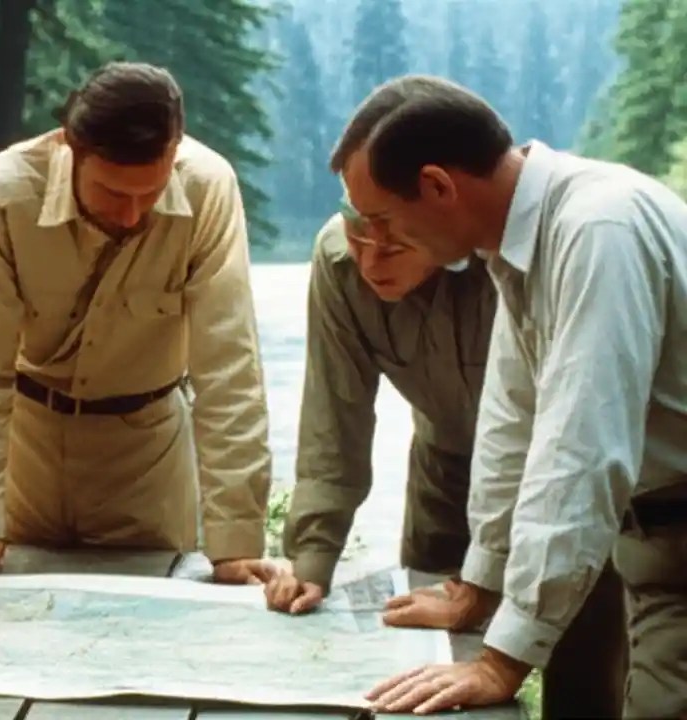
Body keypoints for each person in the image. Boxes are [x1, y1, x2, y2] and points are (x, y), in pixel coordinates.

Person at [326, 74, 687, 718]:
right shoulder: (522, 243)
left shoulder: (598, 228)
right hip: (657, 544)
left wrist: (502, 661)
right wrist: (479, 587)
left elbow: (582, 450)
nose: (375, 244)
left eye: (382, 219)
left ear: (438, 186)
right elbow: (513, 424)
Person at [265, 208, 626, 717]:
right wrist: (312, 557)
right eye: (357, 240)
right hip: (443, 474)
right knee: (423, 660)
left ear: (434, 220)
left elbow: (570, 444)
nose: (369, 262)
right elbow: (334, 409)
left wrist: (495, 617)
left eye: (391, 249)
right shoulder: (338, 259)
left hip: (556, 480)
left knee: (584, 662)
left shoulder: (510, 260)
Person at [0, 62, 276, 585]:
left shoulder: (209, 189)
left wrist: (237, 540)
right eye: (114, 193)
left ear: (175, 148)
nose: (134, 215)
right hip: (28, 452)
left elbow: (230, 371)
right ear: (71, 146)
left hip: (147, 456)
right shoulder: (2, 193)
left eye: (151, 193)